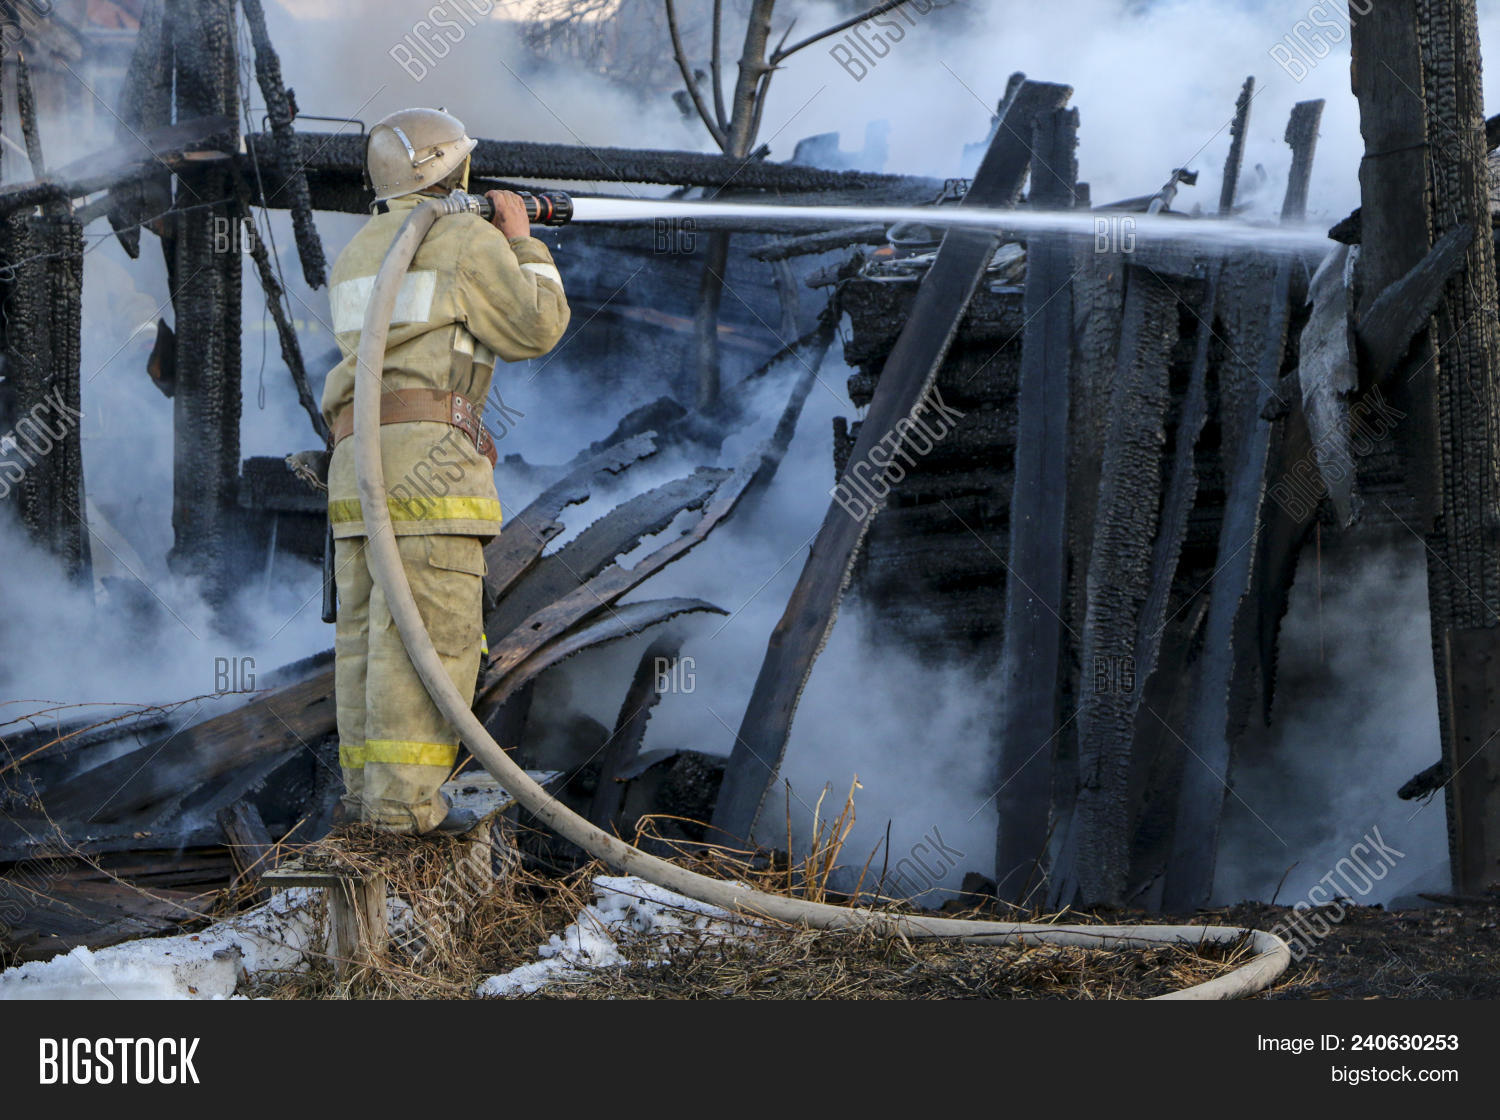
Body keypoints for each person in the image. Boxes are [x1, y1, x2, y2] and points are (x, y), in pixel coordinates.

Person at [319, 107, 569, 833]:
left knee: (368, 640)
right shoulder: (459, 236)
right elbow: (537, 326)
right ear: (449, 172)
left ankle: (371, 808)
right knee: (428, 640)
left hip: (359, 466)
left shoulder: (362, 246)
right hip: (428, 473)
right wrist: (522, 239)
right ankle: (403, 823)